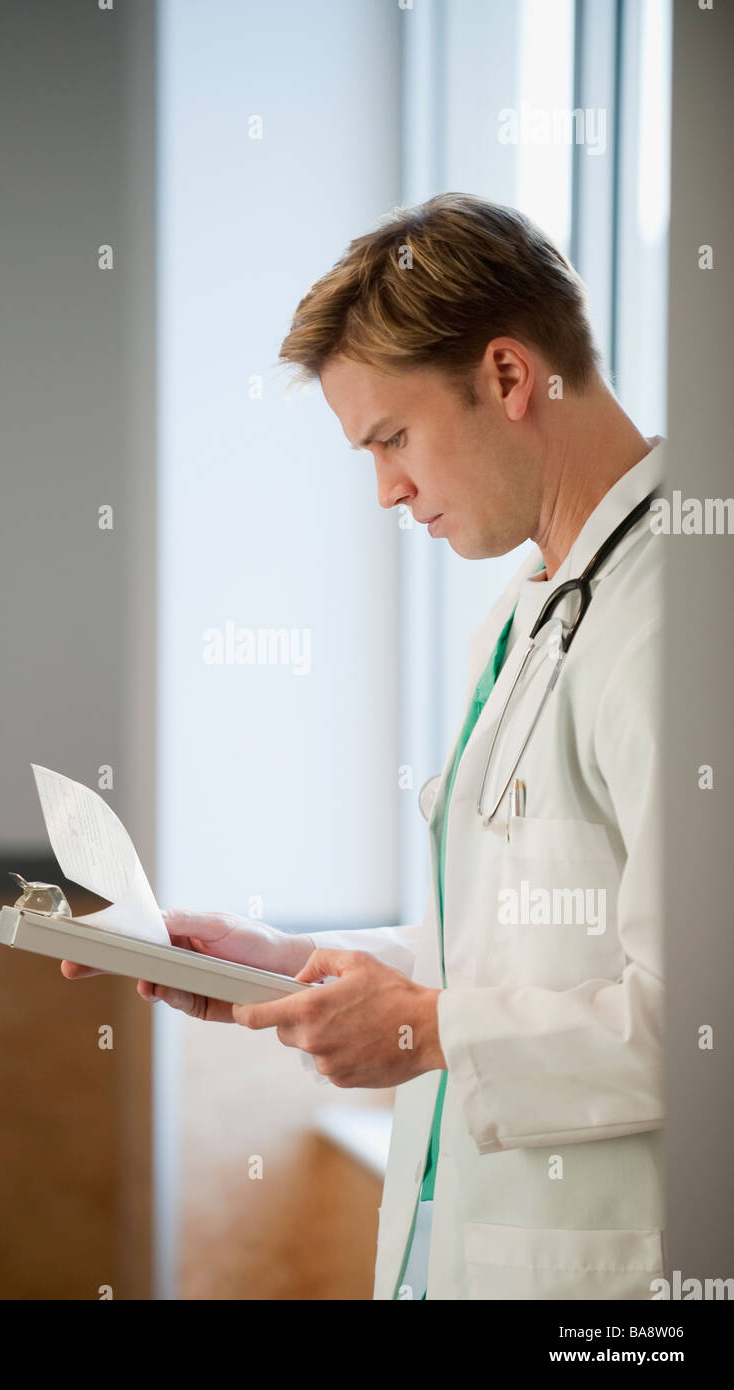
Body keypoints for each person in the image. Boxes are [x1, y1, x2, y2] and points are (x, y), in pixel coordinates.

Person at [62, 192, 666, 1300]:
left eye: (391, 438)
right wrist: (273, 960)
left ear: (504, 376)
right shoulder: (533, 605)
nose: (386, 489)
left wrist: (427, 1032)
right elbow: (497, 955)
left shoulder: (680, 619)